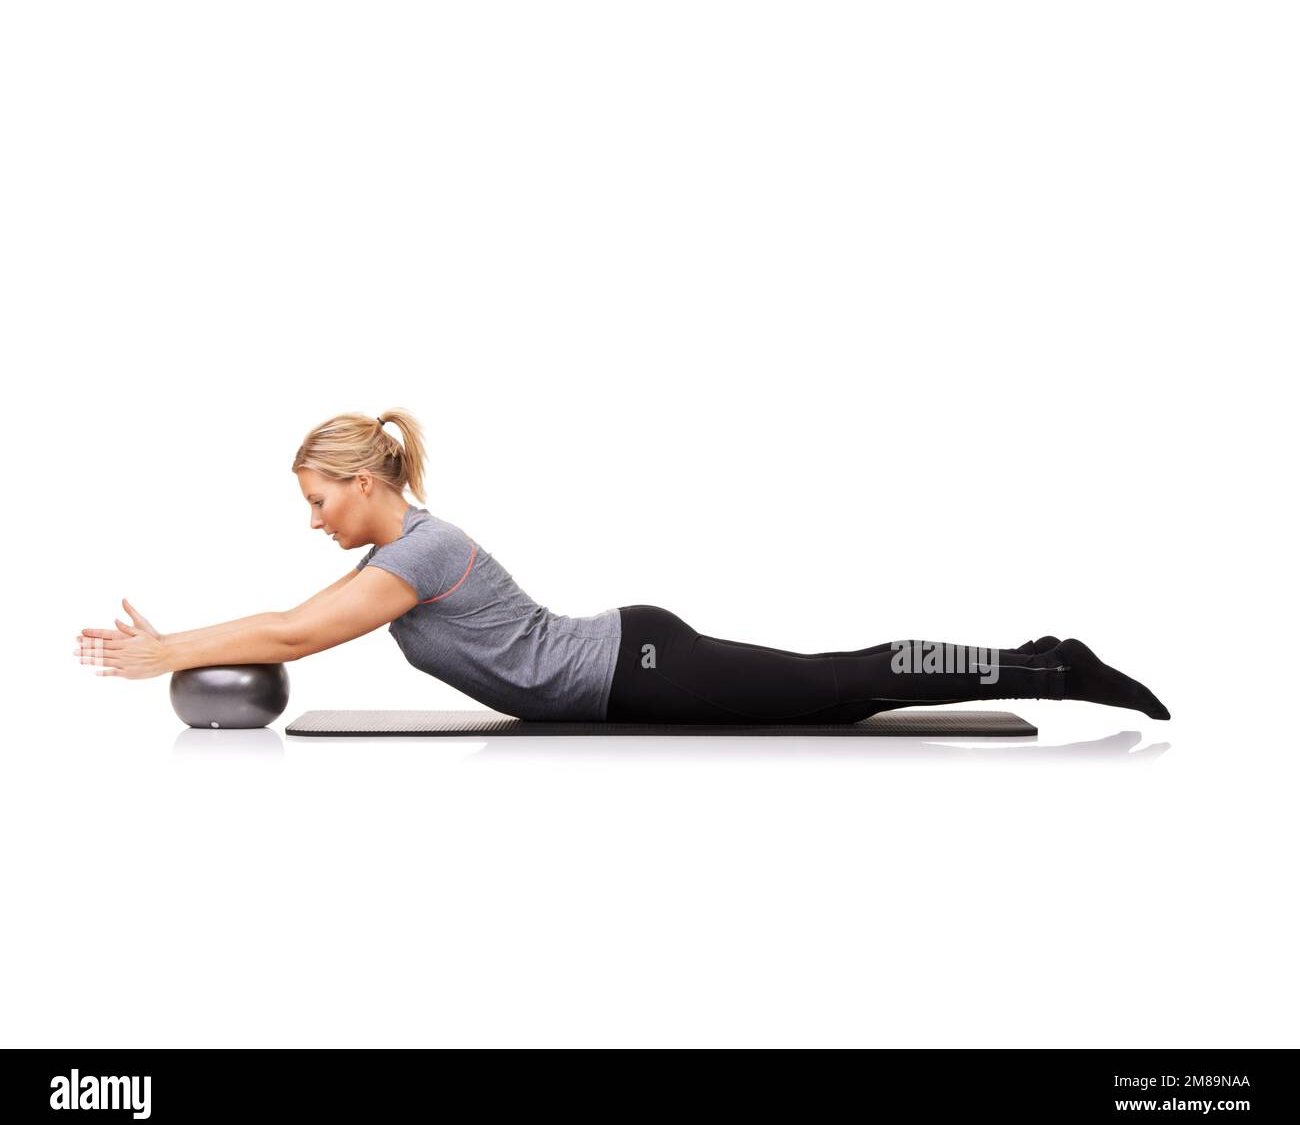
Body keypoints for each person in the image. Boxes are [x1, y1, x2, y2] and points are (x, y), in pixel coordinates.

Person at [75, 408, 1171, 723]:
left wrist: (168, 649)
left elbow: (293, 634)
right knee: (834, 692)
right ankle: (1039, 659)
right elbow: (291, 620)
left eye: (318, 499)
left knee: (838, 689)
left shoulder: (425, 548)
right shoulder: (403, 554)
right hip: (620, 667)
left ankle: (1047, 663)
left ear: (362, 482)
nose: (312, 520)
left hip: (632, 664)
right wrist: (176, 644)